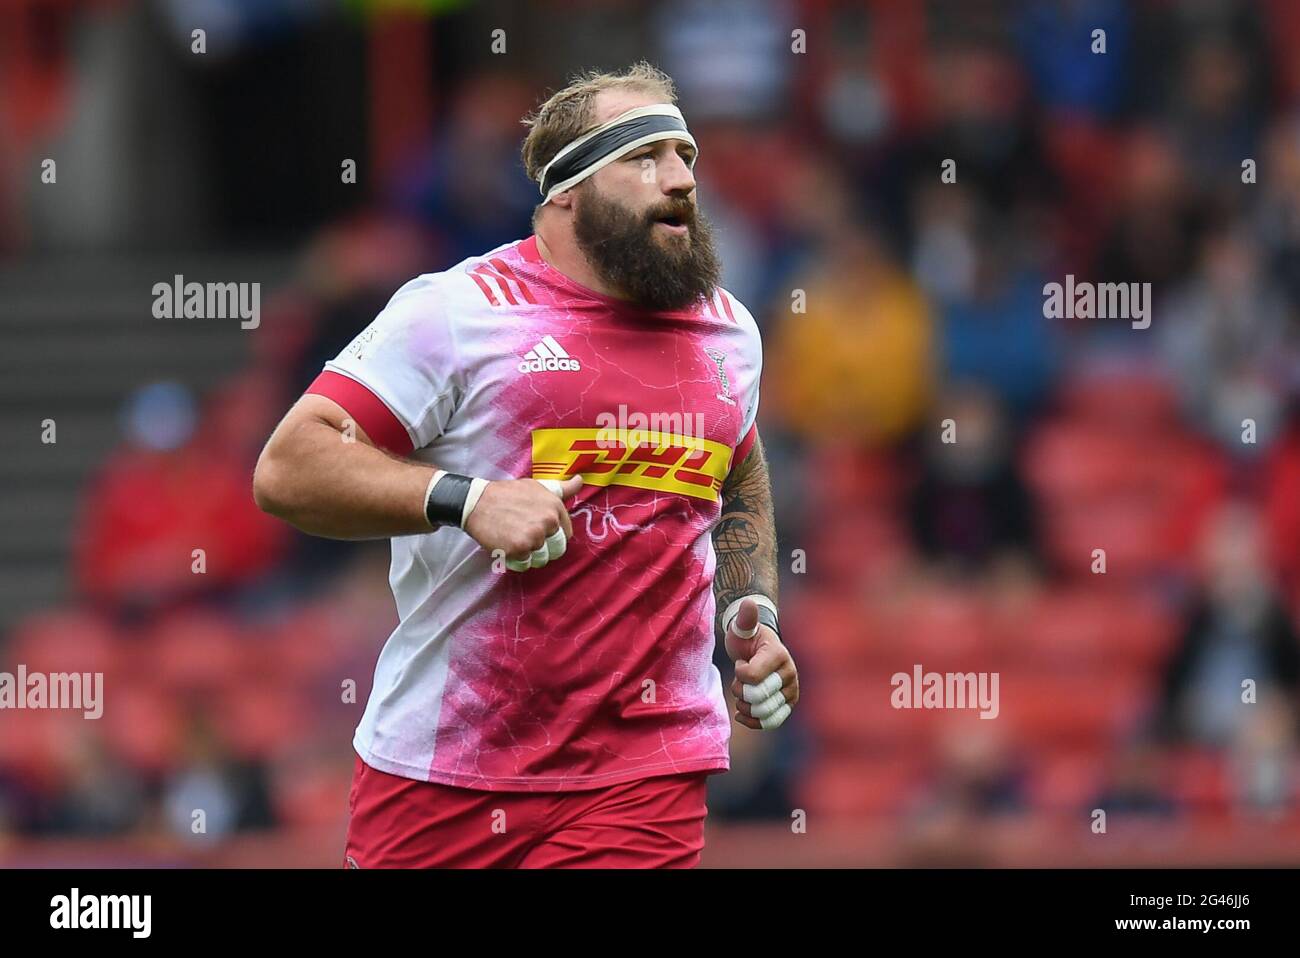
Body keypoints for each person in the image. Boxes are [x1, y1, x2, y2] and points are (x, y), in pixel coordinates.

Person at [252, 62, 798, 868]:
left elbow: (738, 465)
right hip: (446, 776)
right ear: (567, 189)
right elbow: (290, 466)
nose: (681, 179)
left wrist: (750, 611)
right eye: (644, 157)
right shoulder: (457, 312)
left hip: (644, 776)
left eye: (686, 157)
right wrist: (466, 500)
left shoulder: (728, 332)